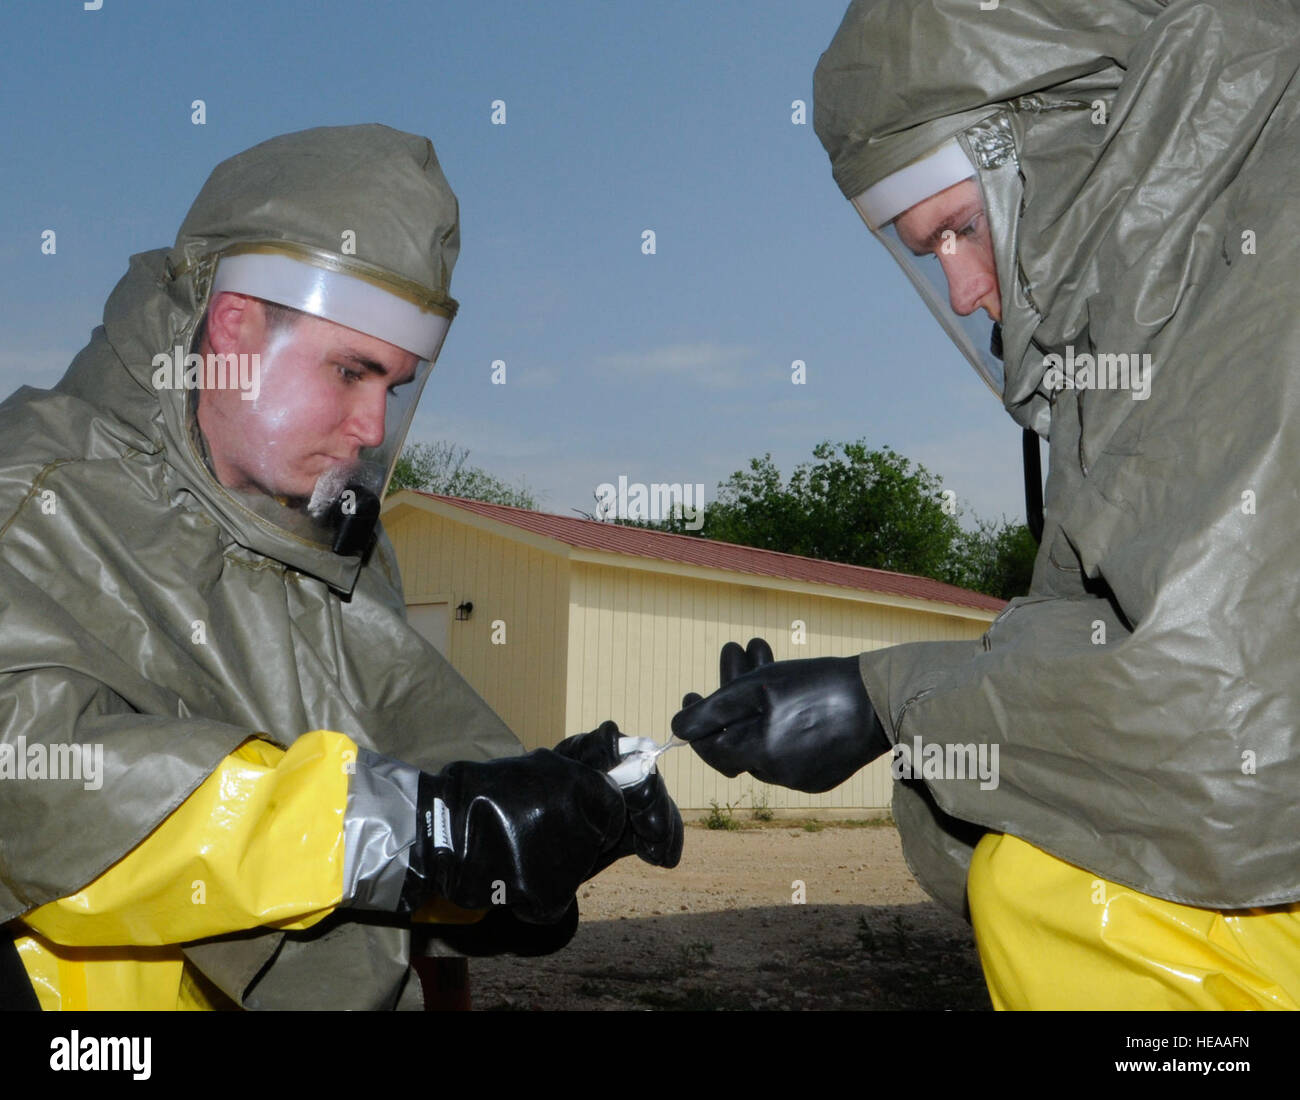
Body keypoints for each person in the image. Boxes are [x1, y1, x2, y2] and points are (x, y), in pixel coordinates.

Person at [674, 0, 1300, 1009]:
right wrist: (866, 694)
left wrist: (888, 699)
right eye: (928, 252)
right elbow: (1103, 629)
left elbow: (1227, 732)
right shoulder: (1164, 307)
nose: (961, 289)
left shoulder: (1268, 246)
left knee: (1064, 881)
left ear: (1069, 131)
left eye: (962, 227)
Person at [0, 124, 681, 1011]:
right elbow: (35, 775)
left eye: (392, 388)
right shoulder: (36, 495)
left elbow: (393, 769)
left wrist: (541, 819)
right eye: (350, 372)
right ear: (235, 325)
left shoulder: (328, 532)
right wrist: (426, 834)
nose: (370, 427)